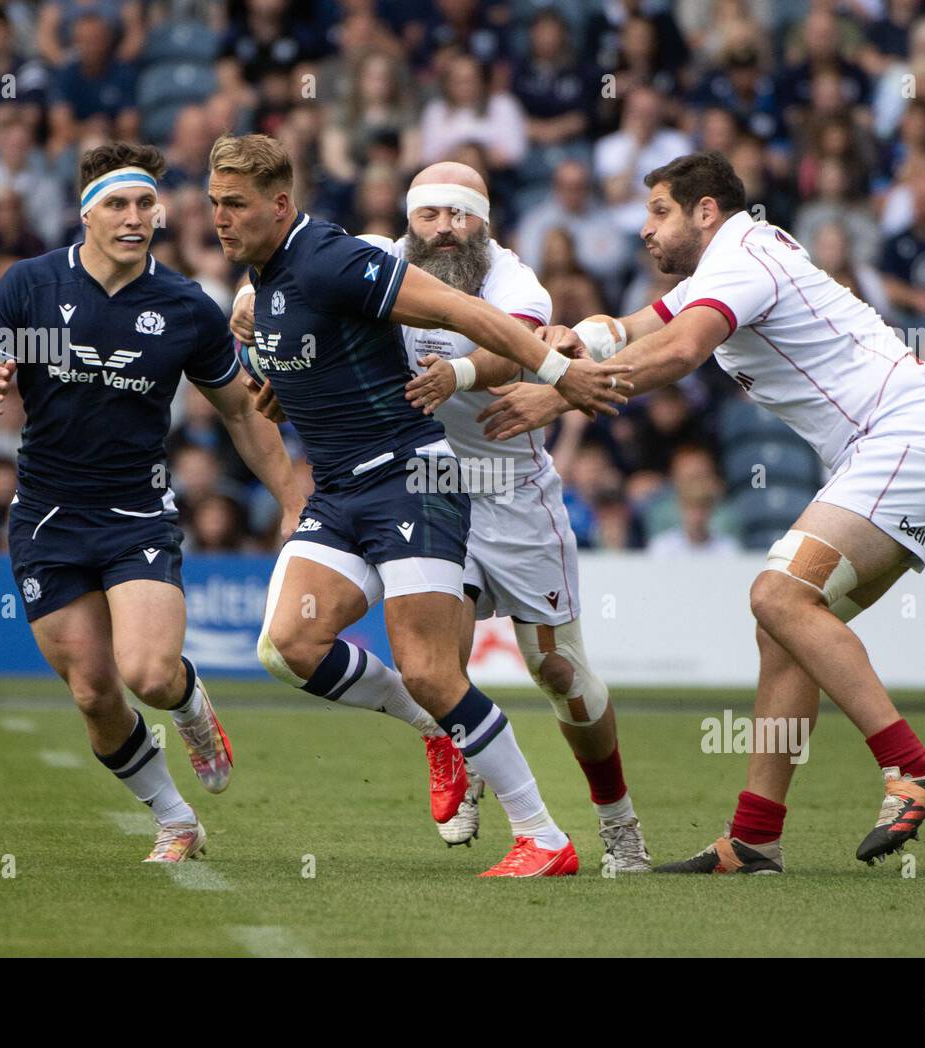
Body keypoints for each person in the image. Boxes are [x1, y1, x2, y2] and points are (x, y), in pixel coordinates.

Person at [479, 151, 925, 873]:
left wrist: (558, 392)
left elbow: (680, 350)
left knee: (779, 595)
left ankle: (911, 767)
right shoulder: (730, 260)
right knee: (788, 628)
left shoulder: (740, 258)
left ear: (706, 211)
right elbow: (640, 324)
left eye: (659, 213)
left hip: (907, 446)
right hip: (909, 456)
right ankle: (754, 837)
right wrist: (571, 340)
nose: (644, 231)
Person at [210, 133, 627, 877]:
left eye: (233, 205)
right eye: (428, 212)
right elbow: (288, 327)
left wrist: (551, 373)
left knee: (535, 669)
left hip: (460, 482)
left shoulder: (406, 267)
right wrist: (276, 359)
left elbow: (489, 326)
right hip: (360, 487)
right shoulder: (307, 265)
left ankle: (570, 831)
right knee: (288, 648)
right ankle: (441, 735)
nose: (444, 226)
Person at [0, 142, 304, 863]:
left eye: (147, 202)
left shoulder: (183, 306)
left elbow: (240, 412)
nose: (135, 216)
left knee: (148, 673)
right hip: (46, 516)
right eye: (117, 204)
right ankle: (175, 820)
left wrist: (295, 498)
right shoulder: (32, 285)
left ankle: (190, 703)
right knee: (92, 691)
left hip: (135, 513)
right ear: (86, 213)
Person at [387, 162, 652, 872]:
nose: (445, 228)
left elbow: (517, 346)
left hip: (513, 488)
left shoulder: (514, 281)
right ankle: (468, 763)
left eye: (460, 214)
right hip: (430, 485)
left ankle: (617, 819)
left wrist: (459, 374)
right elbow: (301, 270)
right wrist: (254, 296)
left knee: (558, 669)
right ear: (409, 220)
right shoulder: (384, 264)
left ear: (486, 221)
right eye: (429, 214)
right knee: (433, 666)